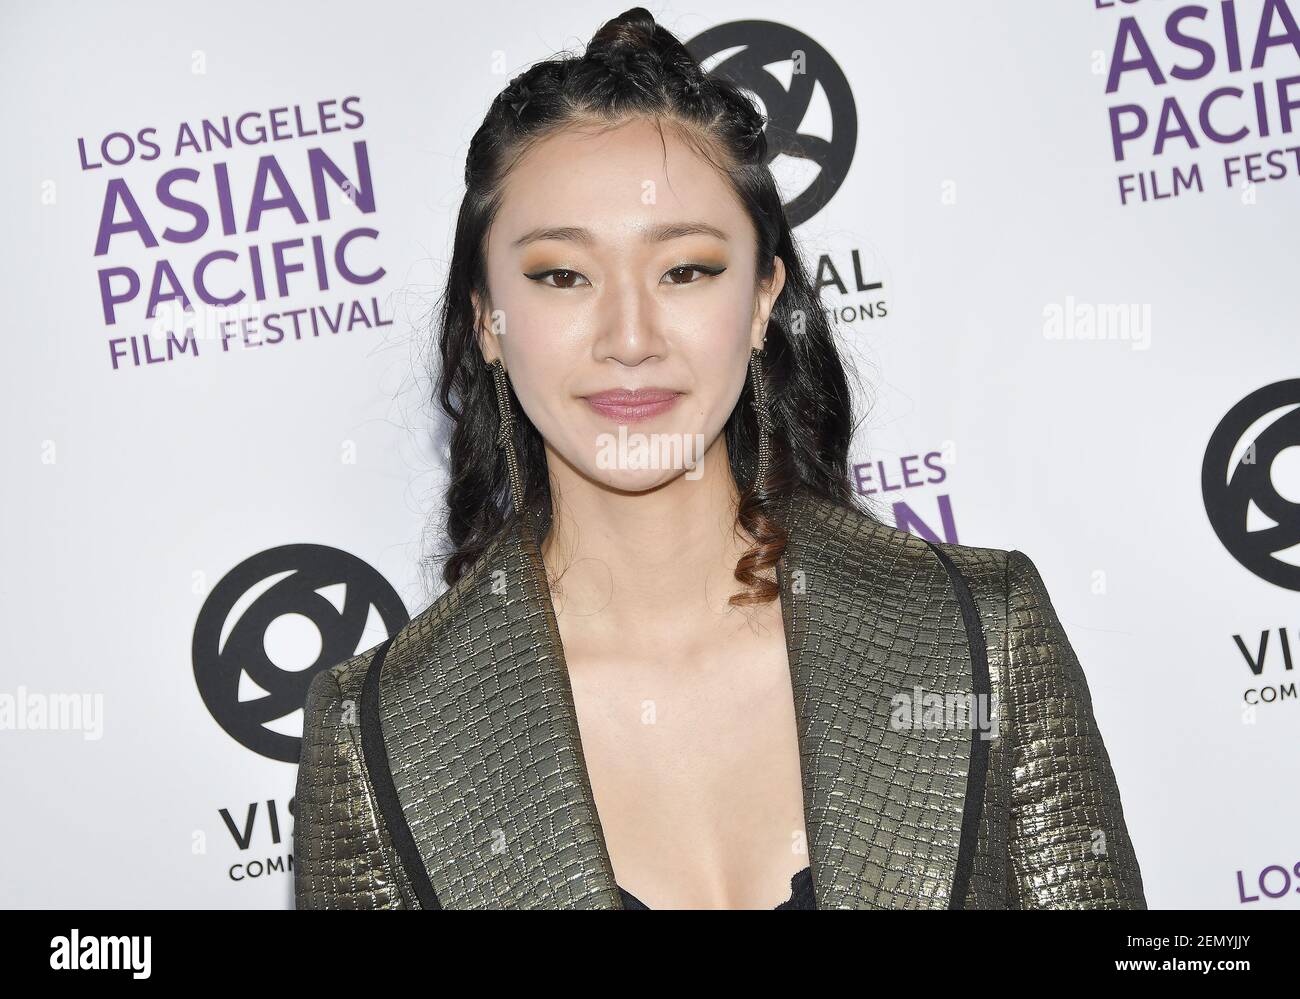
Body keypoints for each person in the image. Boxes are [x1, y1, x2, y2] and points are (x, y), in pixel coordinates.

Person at [292, 6, 1147, 910]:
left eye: (687, 270)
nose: (629, 337)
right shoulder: (381, 736)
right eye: (560, 275)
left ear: (761, 300)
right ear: (486, 321)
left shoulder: (982, 634)